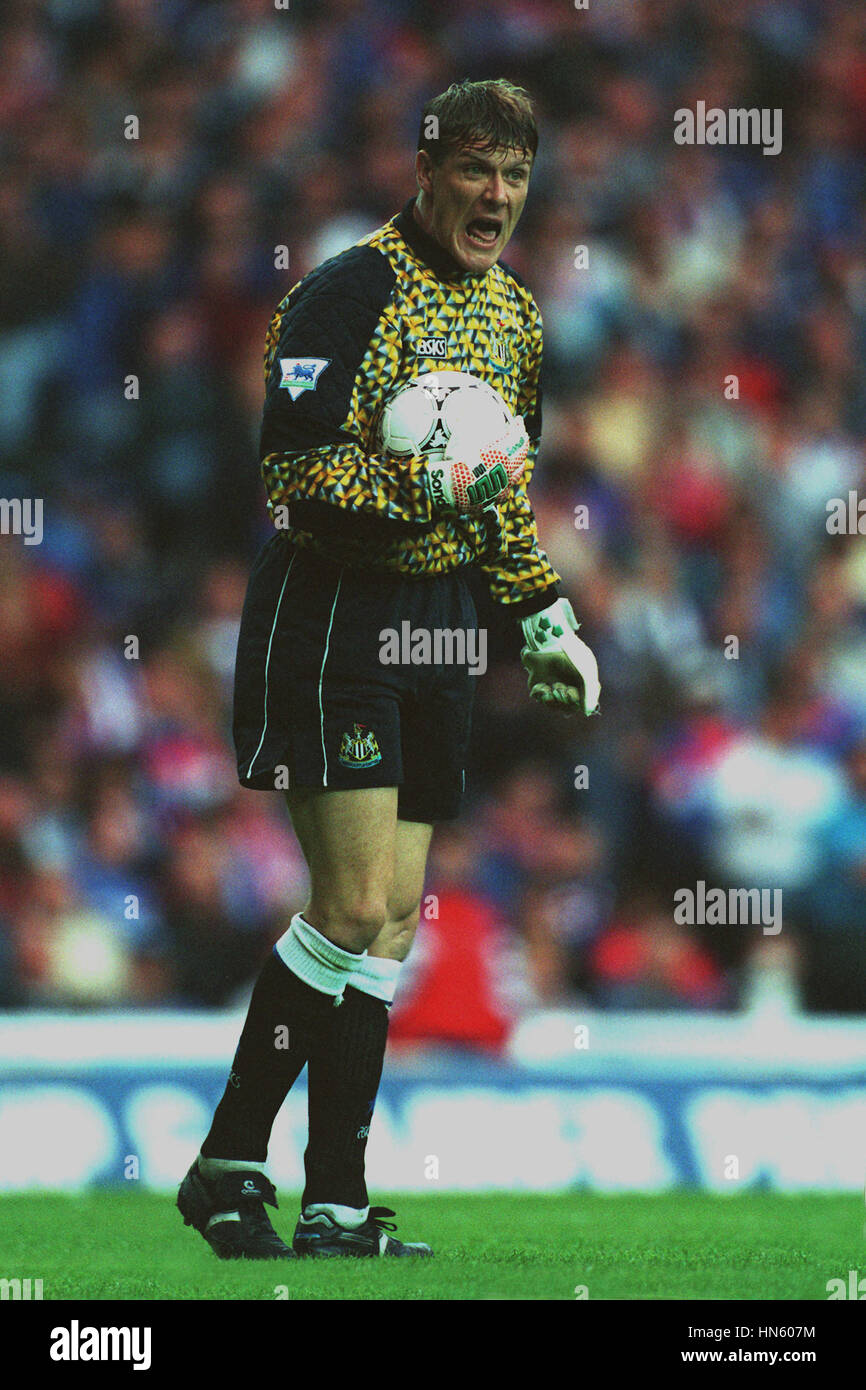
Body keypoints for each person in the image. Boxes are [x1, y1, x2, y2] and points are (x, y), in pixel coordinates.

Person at [177, 78, 600, 1260]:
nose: (496, 196)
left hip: (441, 620)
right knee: (353, 904)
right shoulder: (346, 290)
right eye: (474, 171)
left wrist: (540, 615)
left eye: (513, 176)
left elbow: (500, 498)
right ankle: (224, 1163)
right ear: (426, 172)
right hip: (335, 607)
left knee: (391, 931)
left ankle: (333, 1201)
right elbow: (292, 466)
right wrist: (425, 485)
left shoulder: (513, 318)